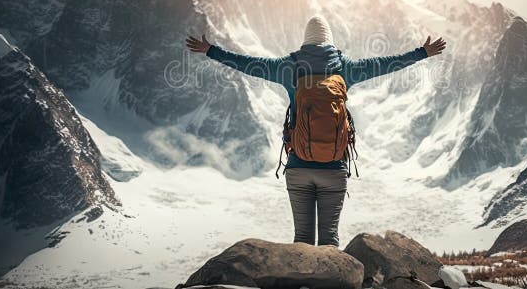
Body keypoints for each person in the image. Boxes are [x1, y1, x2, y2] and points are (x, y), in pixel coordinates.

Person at [186, 16, 445, 247]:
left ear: (306, 42)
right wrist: (422, 52)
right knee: (329, 240)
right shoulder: (345, 69)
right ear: (329, 42)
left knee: (302, 241)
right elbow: (386, 63)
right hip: (334, 168)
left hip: (298, 167)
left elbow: (248, 63)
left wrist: (211, 51)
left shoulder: (288, 67)